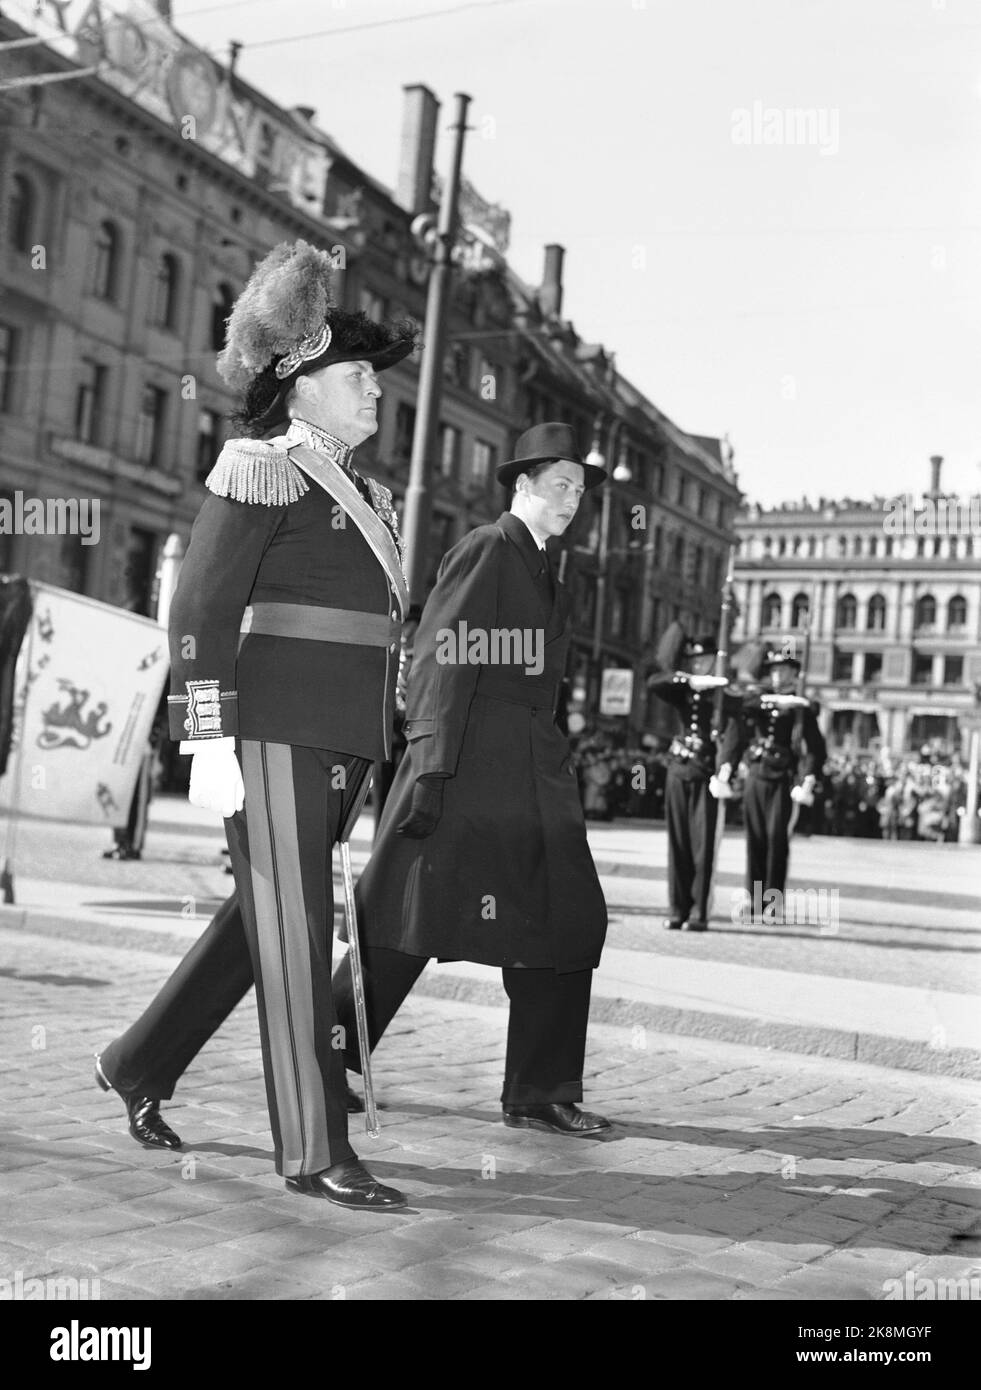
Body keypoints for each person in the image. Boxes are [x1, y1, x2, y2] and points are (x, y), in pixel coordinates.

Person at [95, 240, 416, 1211]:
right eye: (355, 376)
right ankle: (313, 1150)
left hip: (335, 740)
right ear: (301, 382)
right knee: (292, 934)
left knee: (261, 927)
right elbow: (196, 612)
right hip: (271, 734)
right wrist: (205, 741)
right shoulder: (259, 468)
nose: (373, 392)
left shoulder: (360, 490)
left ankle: (135, 1063)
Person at [331, 422, 614, 1137]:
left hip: (530, 769)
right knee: (407, 916)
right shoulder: (489, 549)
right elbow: (438, 656)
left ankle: (540, 1091)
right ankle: (321, 1057)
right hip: (464, 763)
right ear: (521, 486)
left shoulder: (551, 567)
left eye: (579, 489)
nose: (572, 499)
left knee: (566, 918)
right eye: (559, 485)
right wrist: (427, 760)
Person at [723, 646, 827, 925]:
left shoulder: (800, 707)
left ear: (794, 674)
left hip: (782, 779)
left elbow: (815, 749)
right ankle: (753, 898)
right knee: (754, 838)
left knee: (776, 840)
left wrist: (807, 777)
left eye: (783, 670)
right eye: (774, 670)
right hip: (756, 774)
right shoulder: (760, 699)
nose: (778, 675)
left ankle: (773, 901)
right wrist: (771, 701)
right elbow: (742, 705)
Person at [646, 624, 738, 931]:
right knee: (679, 845)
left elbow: (736, 729)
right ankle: (677, 908)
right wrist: (688, 679)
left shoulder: (723, 693)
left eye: (704, 660)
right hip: (678, 770)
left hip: (705, 776)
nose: (699, 664)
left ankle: (698, 911)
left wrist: (726, 766)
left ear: (715, 659)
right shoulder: (684, 688)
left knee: (703, 847)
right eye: (694, 661)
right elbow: (654, 682)